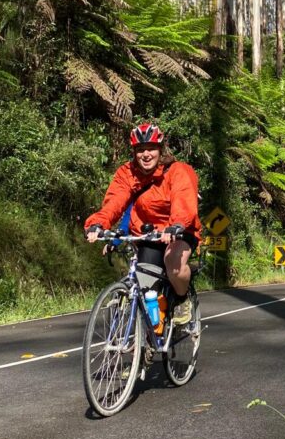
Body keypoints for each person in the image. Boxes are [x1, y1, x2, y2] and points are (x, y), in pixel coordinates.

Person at [84, 122, 201, 325]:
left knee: (173, 262)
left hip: (180, 230)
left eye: (151, 149)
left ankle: (182, 299)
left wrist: (176, 225)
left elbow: (183, 200)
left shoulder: (179, 171)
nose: (146, 154)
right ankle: (145, 333)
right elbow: (115, 201)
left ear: (160, 149)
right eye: (140, 150)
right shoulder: (127, 173)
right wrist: (98, 224)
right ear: (134, 152)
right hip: (148, 233)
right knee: (145, 281)